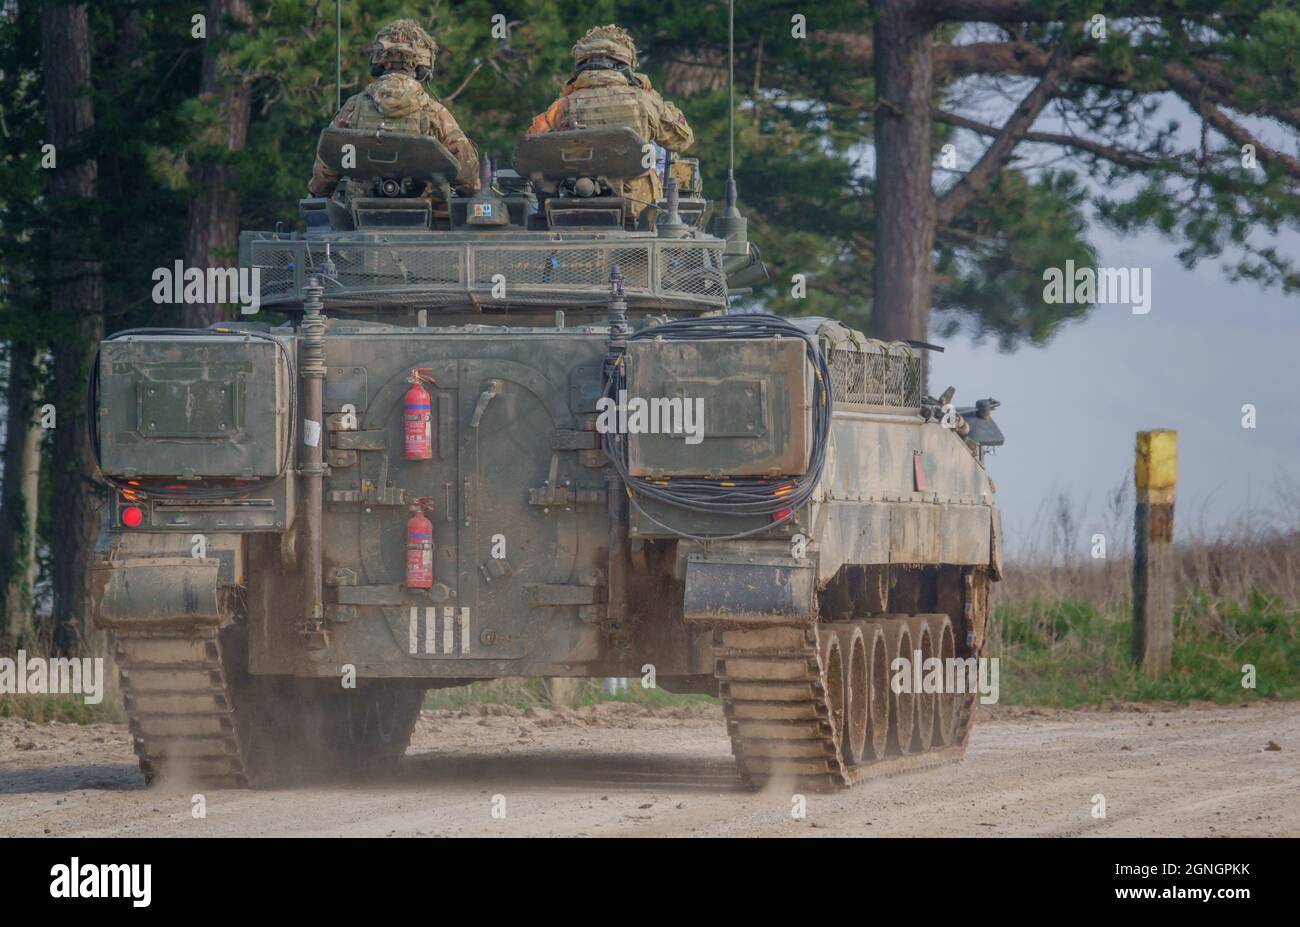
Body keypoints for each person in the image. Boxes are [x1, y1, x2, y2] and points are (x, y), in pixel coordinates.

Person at [527, 24, 694, 216]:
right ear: (625, 62)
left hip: (576, 210)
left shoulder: (563, 105)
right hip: (638, 211)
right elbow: (683, 139)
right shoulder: (644, 100)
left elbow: (531, 149)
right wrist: (653, 96)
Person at [308, 19, 480, 198]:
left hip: (361, 215)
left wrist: (318, 193)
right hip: (423, 216)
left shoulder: (353, 106)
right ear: (423, 67)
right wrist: (468, 192)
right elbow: (467, 177)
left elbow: (326, 167)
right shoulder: (434, 112)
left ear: (378, 62)